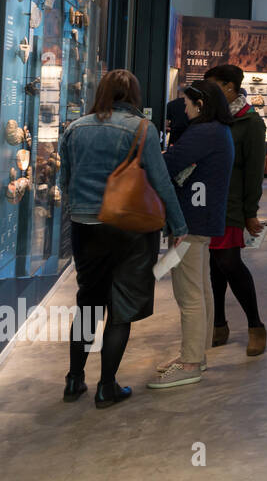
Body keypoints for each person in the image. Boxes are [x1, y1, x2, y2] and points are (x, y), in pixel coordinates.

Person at [58, 70, 188, 408]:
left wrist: (80, 212)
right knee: (121, 308)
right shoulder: (142, 129)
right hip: (130, 228)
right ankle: (107, 387)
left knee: (88, 302)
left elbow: (65, 180)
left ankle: (73, 381)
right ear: (135, 95)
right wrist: (177, 226)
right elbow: (161, 183)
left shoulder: (75, 128)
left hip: (85, 227)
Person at [149, 81, 235, 389]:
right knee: (201, 290)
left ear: (200, 104)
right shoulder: (217, 131)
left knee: (190, 295)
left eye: (187, 102)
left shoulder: (204, 132)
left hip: (192, 223)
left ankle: (190, 363)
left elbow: (165, 165)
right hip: (202, 220)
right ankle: (196, 355)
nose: (183, 108)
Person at [203, 64, 267, 356]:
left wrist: (250, 211)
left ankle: (255, 324)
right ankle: (219, 322)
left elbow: (254, 171)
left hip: (231, 205)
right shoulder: (211, 118)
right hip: (206, 202)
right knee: (214, 265)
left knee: (229, 262)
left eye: (214, 86)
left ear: (230, 86)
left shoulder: (251, 123)